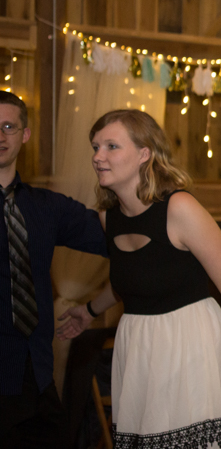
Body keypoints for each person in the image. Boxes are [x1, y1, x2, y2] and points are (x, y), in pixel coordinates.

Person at [56, 109, 221, 448]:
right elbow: (137, 275)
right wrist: (90, 310)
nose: (98, 157)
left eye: (111, 146)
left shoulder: (180, 209)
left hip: (189, 342)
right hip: (137, 347)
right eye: (95, 147)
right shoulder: (109, 219)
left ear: (144, 154)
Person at [0, 91, 109, 448]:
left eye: (8, 127)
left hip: (37, 377)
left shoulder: (45, 206)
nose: (0, 136)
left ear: (24, 135)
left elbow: (114, 237)